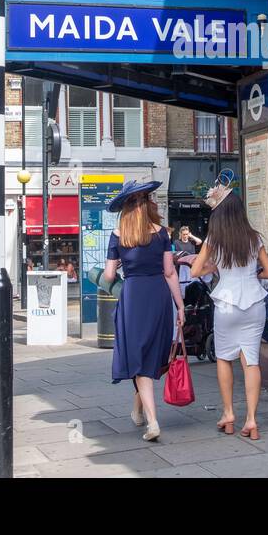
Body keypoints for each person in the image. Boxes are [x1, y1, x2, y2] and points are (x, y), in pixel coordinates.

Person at [102, 180, 183, 442]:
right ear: (146, 205)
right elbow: (170, 272)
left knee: (138, 355)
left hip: (133, 297)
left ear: (126, 208)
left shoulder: (117, 236)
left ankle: (153, 421)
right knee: (148, 356)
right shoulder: (162, 233)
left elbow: (109, 274)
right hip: (159, 295)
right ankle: (138, 409)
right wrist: (180, 306)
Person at [190, 190, 268, 441]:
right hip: (254, 303)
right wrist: (252, 276)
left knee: (225, 359)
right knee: (251, 361)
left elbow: (194, 271)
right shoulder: (254, 238)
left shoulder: (214, 239)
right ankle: (252, 420)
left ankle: (228, 415)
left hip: (226, 303)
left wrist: (213, 267)